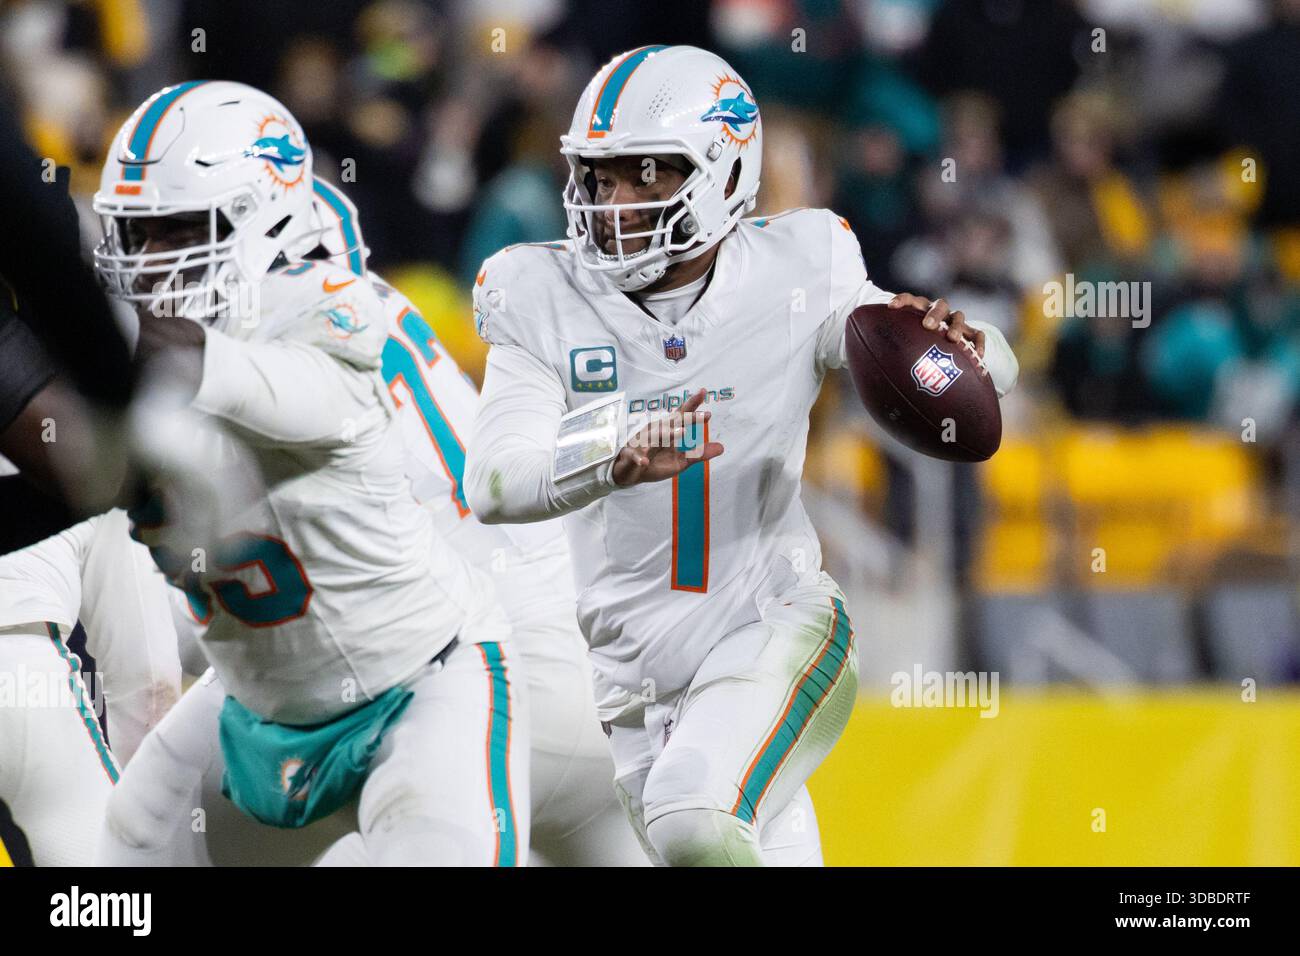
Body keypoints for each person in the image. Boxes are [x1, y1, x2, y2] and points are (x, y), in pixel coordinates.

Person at [464, 45, 1020, 865]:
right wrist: (608, 446)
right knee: (715, 833)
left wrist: (978, 352)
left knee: (695, 816)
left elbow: (970, 372)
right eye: (600, 176)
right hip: (634, 691)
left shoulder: (799, 267)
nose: (615, 201)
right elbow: (493, 480)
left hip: (775, 624)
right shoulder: (537, 293)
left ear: (724, 173)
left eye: (648, 173)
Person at [90, 81, 527, 867]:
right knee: (117, 873)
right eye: (135, 235)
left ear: (270, 217)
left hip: (420, 687)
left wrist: (172, 364)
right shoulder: (128, 355)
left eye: (179, 230)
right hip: (256, 706)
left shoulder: (327, 306)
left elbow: (296, 398)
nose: (150, 265)